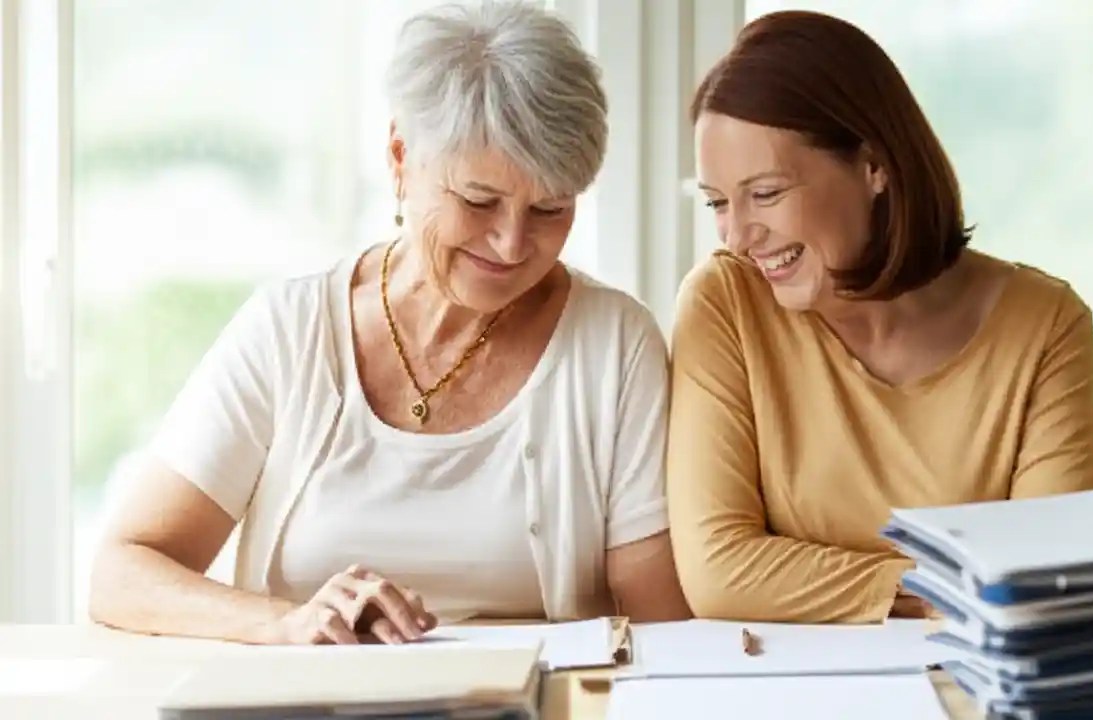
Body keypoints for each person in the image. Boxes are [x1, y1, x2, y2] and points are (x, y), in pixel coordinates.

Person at [89, 0, 690, 646]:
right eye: (479, 200)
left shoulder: (615, 347)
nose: (513, 244)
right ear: (402, 155)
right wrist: (285, 624)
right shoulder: (291, 331)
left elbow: (667, 632)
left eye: (550, 209)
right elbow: (121, 572)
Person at [666, 10, 1093, 625]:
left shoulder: (1045, 328)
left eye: (765, 194)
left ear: (874, 166)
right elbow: (717, 572)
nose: (738, 235)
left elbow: (1054, 586)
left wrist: (818, 579)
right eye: (718, 202)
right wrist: (956, 585)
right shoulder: (726, 303)